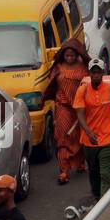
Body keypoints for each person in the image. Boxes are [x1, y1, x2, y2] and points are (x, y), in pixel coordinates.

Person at [73, 59, 110, 201]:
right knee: (94, 173)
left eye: (98, 72)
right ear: (90, 74)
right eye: (93, 72)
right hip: (89, 142)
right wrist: (89, 133)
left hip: (108, 140)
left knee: (106, 173)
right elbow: (79, 113)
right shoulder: (82, 91)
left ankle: (104, 204)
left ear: (103, 73)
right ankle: (97, 197)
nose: (96, 75)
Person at [44, 38, 90, 185]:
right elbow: (50, 85)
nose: (69, 58)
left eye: (72, 55)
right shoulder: (58, 68)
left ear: (77, 54)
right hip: (63, 108)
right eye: (66, 56)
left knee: (80, 136)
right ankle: (63, 171)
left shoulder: (85, 68)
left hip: (81, 108)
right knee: (63, 138)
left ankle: (80, 163)